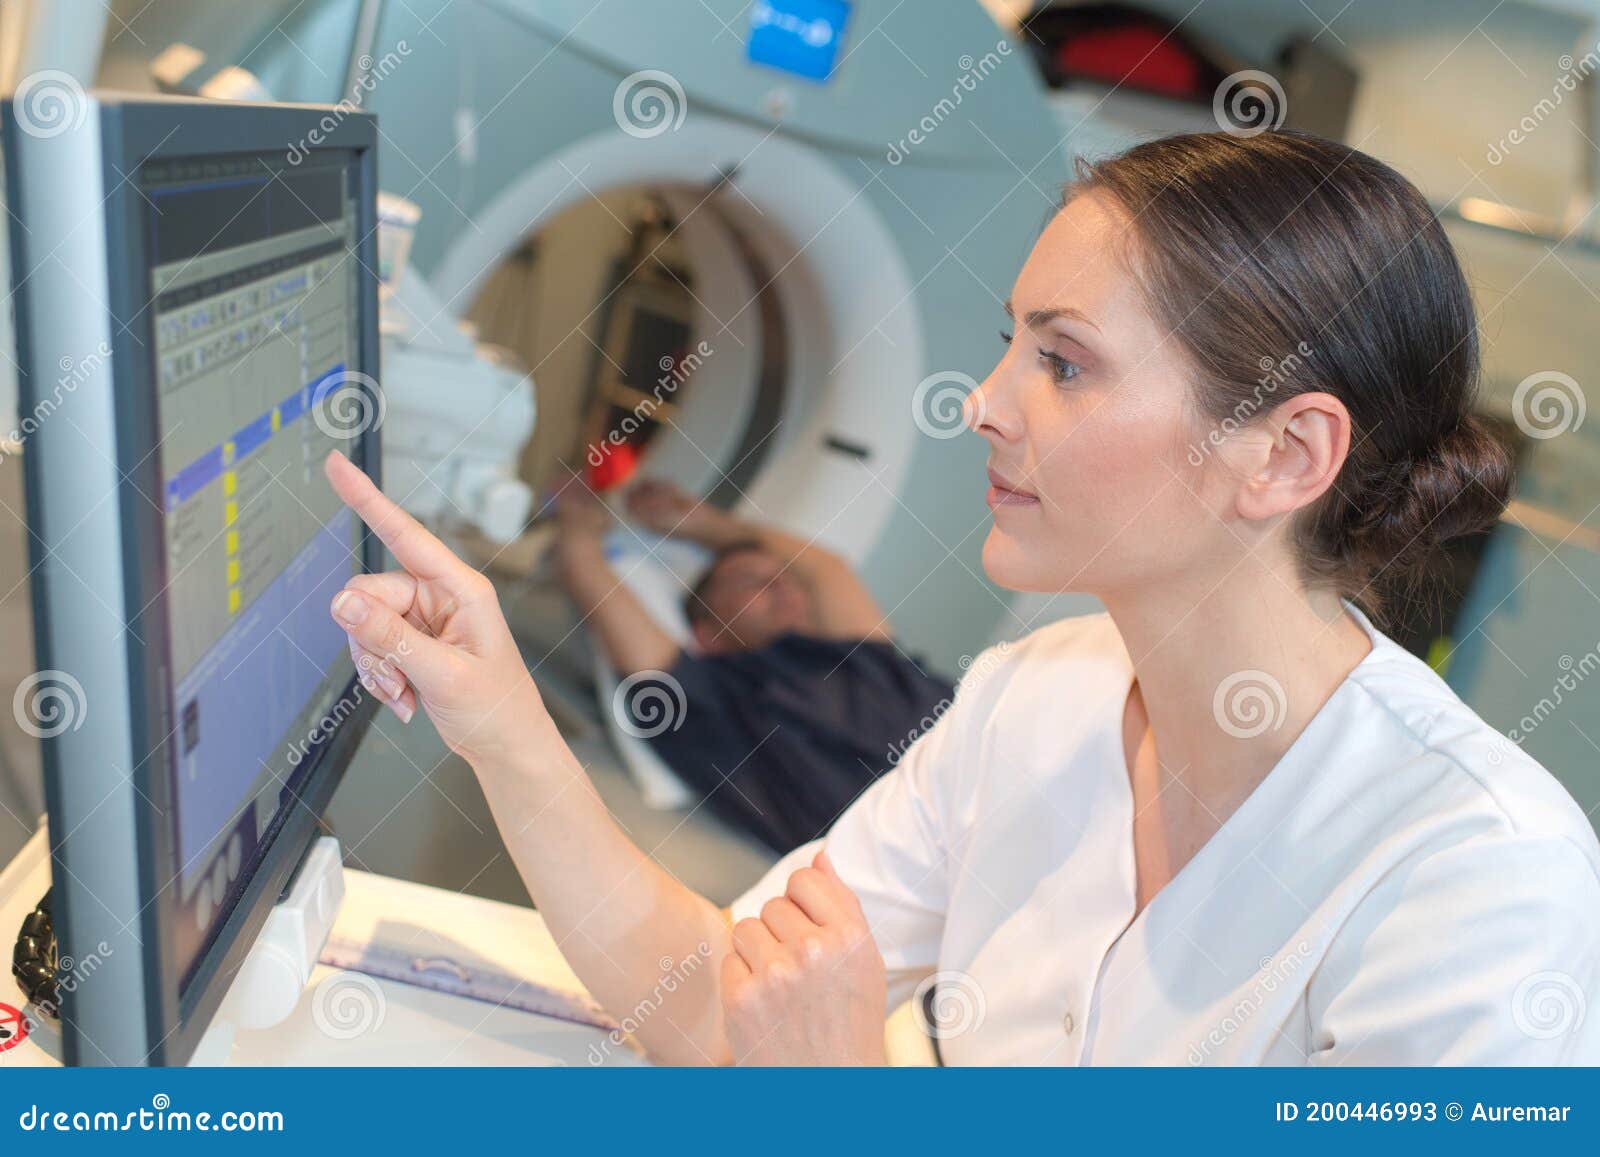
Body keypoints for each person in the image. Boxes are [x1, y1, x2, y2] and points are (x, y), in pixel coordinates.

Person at [326, 129, 1600, 1065]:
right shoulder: (1029, 702)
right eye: (1008, 345)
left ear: (1282, 454)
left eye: (1062, 361)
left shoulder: (1480, 880)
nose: (984, 403)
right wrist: (498, 714)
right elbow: (722, 997)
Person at [550, 478, 955, 853]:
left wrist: (697, 522)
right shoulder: (715, 702)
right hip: (935, 837)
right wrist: (577, 522)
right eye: (750, 582)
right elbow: (590, 574)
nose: (779, 585)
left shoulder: (855, 655)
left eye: (782, 576)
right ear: (707, 633)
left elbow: (826, 567)